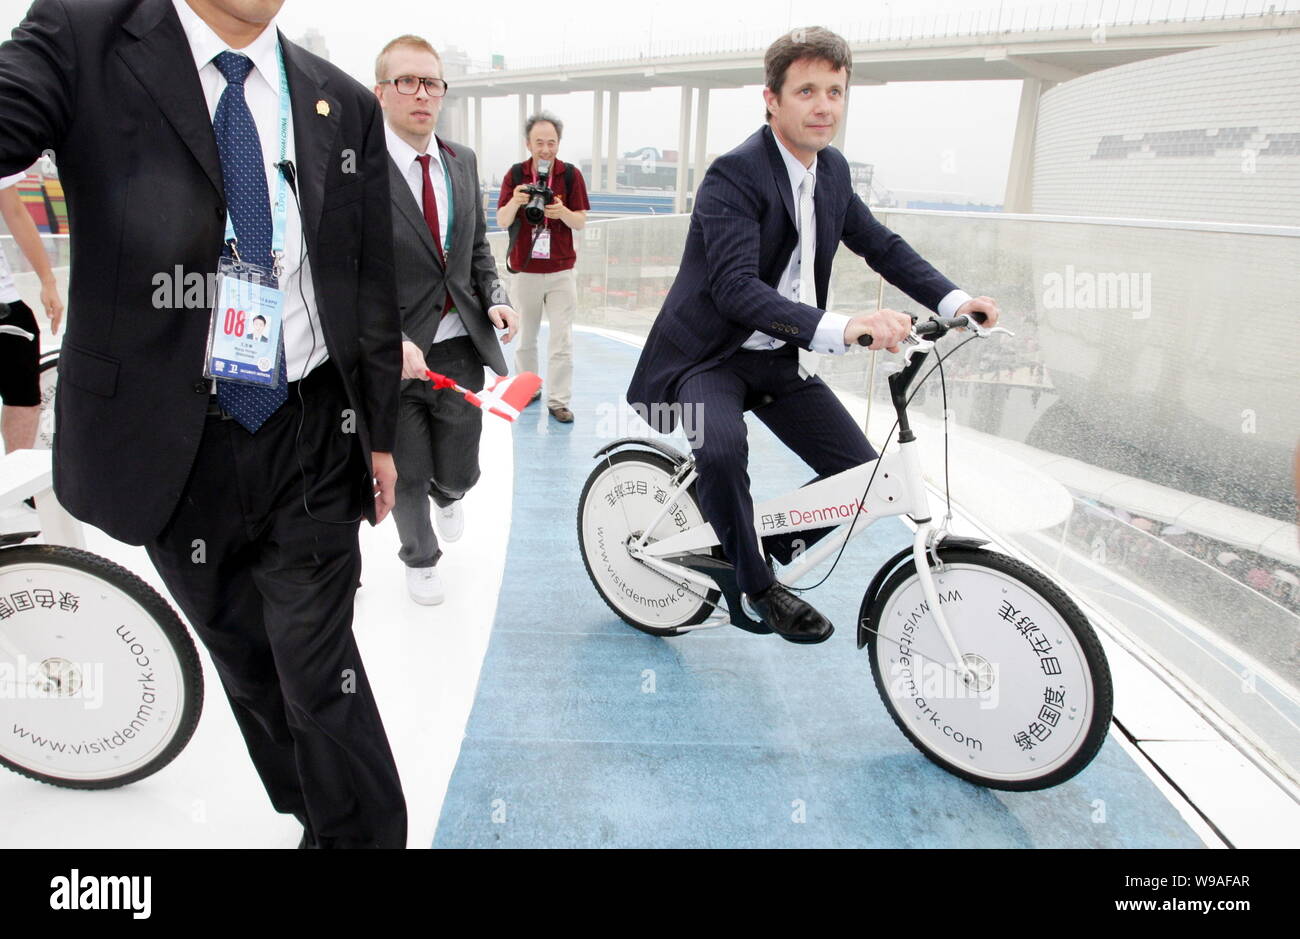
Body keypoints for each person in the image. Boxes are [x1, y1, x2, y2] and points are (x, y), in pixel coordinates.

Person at [0, 0, 406, 848]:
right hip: (172, 444)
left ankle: (360, 837)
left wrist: (378, 433)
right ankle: (313, 811)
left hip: (308, 430)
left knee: (317, 668)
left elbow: (365, 279)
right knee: (248, 661)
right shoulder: (87, 37)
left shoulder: (340, 101)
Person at [626, 27, 1001, 644]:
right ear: (771, 99)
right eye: (806, 91)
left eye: (835, 91)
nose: (824, 105)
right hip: (707, 359)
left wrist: (958, 301)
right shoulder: (734, 175)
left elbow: (879, 244)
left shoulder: (831, 172)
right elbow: (736, 290)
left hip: (777, 359)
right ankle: (755, 586)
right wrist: (846, 327)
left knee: (860, 474)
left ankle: (747, 547)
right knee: (720, 450)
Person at [374, 34, 518, 606]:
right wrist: (389, 338)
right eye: (406, 81)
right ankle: (419, 556)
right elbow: (351, 272)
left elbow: (477, 248)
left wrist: (495, 296)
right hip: (396, 353)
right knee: (407, 472)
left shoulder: (463, 161)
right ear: (381, 92)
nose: (421, 93)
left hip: (459, 345)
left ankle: (449, 492)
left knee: (459, 472)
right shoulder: (358, 169)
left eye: (431, 82)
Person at [495, 110, 589, 423]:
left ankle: (559, 401)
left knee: (562, 339)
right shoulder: (516, 174)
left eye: (551, 142)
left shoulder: (570, 175)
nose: (545, 148)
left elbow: (580, 222)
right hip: (525, 269)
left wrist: (561, 210)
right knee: (525, 339)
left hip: (561, 270)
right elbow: (502, 220)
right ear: (528, 143)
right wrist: (517, 201)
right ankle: (528, 390)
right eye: (539, 142)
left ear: (559, 143)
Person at [0, 167, 63, 456]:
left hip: (5, 303)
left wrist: (48, 281)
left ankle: (17, 485)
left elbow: (14, 211)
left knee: (24, 397)